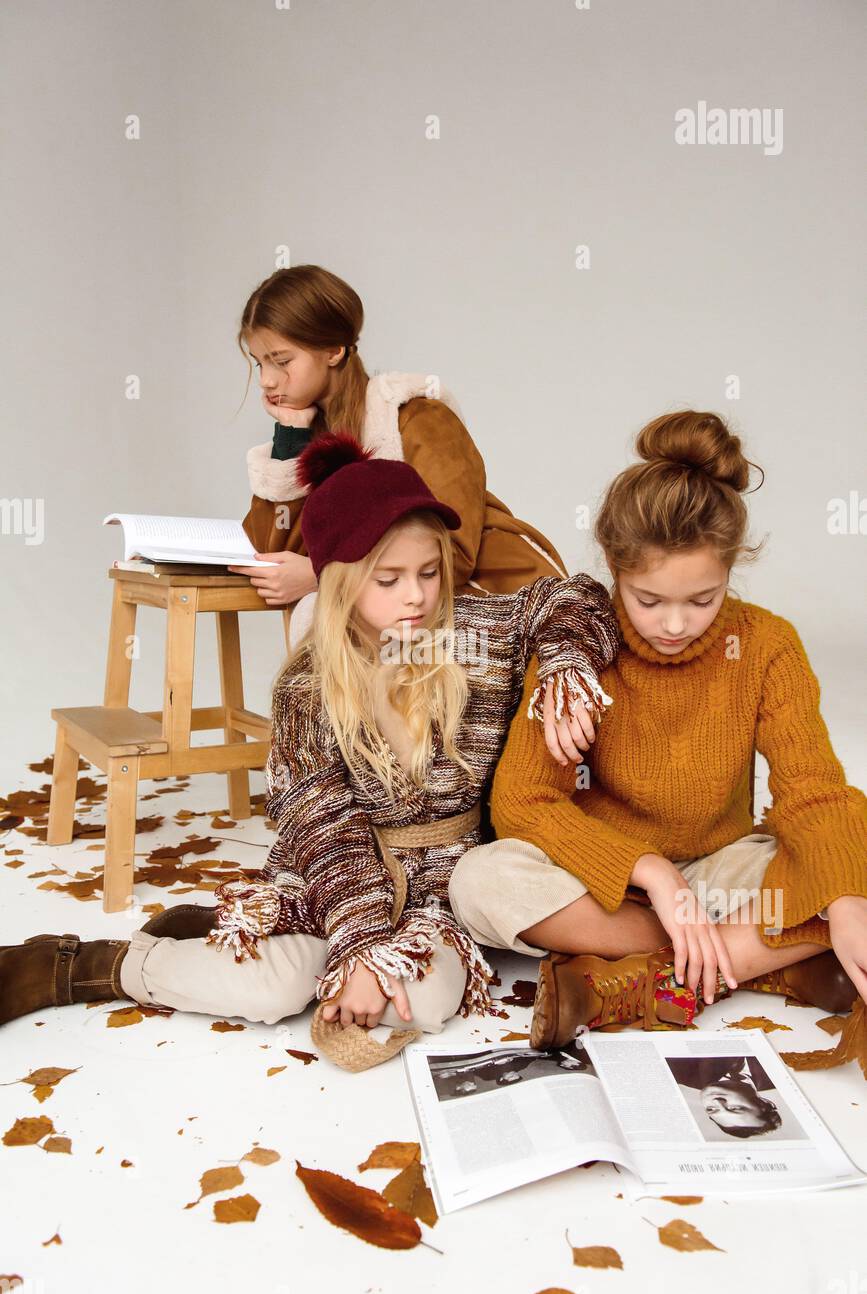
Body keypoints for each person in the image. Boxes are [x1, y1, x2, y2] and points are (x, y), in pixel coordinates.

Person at [2, 432, 621, 1074]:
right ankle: (95, 966)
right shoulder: (308, 688)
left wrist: (564, 665)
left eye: (428, 573)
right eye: (389, 579)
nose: (416, 595)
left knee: (420, 997)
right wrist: (360, 949)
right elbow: (325, 826)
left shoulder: (474, 633)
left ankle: (324, 971)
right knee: (269, 991)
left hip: (443, 889)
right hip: (330, 877)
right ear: (341, 581)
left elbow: (574, 597)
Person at [448, 410, 867, 1048]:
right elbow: (522, 803)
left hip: (722, 869)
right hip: (605, 884)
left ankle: (641, 978)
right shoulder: (579, 647)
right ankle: (756, 962)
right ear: (616, 571)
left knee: (851, 861)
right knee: (479, 881)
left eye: (703, 600)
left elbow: (815, 792)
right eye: (649, 601)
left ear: (730, 572)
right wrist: (652, 874)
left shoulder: (767, 645)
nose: (675, 625)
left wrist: (843, 898)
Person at [225, 262, 569, 649]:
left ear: (334, 351)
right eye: (260, 363)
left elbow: (450, 551)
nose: (267, 380)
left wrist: (324, 575)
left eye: (282, 361)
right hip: (398, 616)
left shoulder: (419, 417)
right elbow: (273, 552)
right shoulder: (312, 435)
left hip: (491, 598)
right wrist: (290, 437)